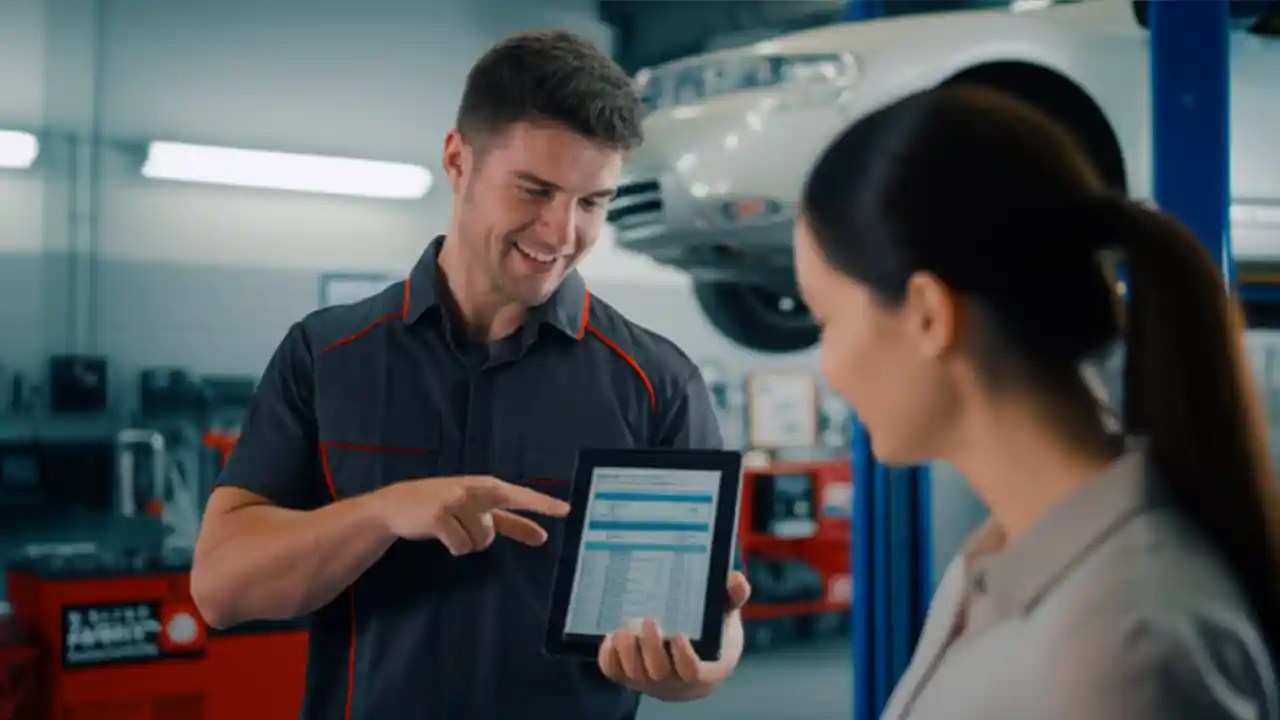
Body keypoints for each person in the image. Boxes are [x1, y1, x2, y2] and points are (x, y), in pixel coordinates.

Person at [190, 29, 749, 720]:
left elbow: (716, 620)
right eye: (534, 190)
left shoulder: (657, 382)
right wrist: (383, 512)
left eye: (591, 202)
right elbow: (220, 587)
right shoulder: (327, 356)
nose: (559, 232)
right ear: (459, 161)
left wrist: (693, 667)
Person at [794, 85, 1280, 719]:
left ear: (928, 315)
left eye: (825, 319)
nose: (827, 366)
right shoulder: (990, 570)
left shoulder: (1128, 653)